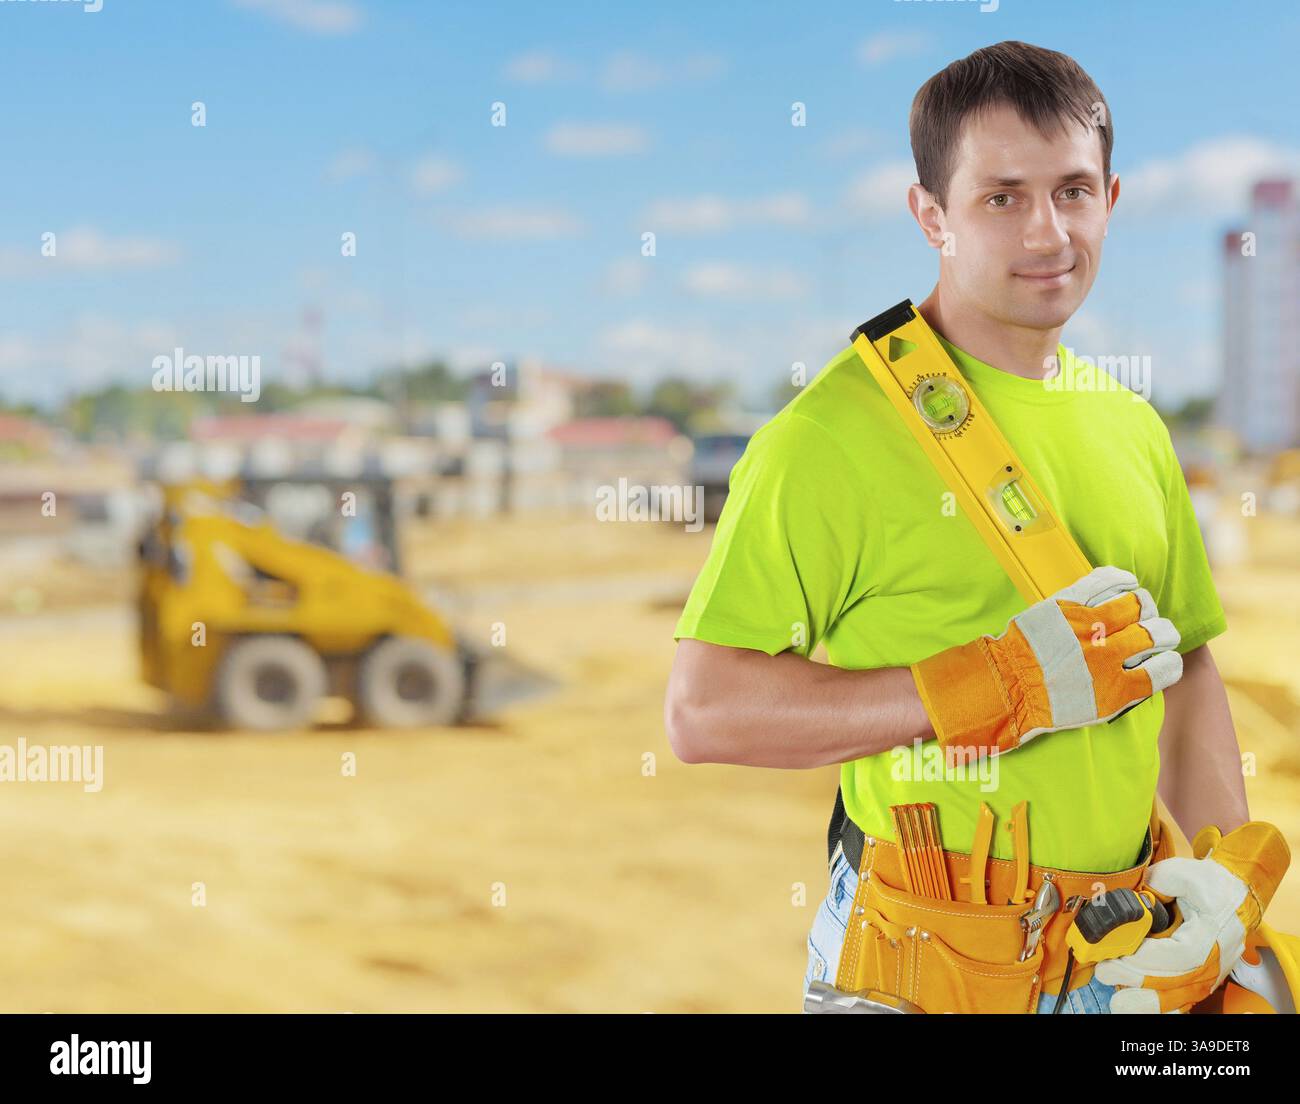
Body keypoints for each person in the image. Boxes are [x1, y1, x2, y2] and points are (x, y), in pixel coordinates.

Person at [664, 40, 1247, 1014]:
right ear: (930, 215)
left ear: (1111, 198)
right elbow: (704, 711)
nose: (1047, 232)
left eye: (1072, 191)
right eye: (1000, 197)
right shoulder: (829, 437)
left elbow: (1182, 676)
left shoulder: (1134, 429)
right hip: (921, 964)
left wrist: (1225, 909)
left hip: (1123, 960)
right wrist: (988, 685)